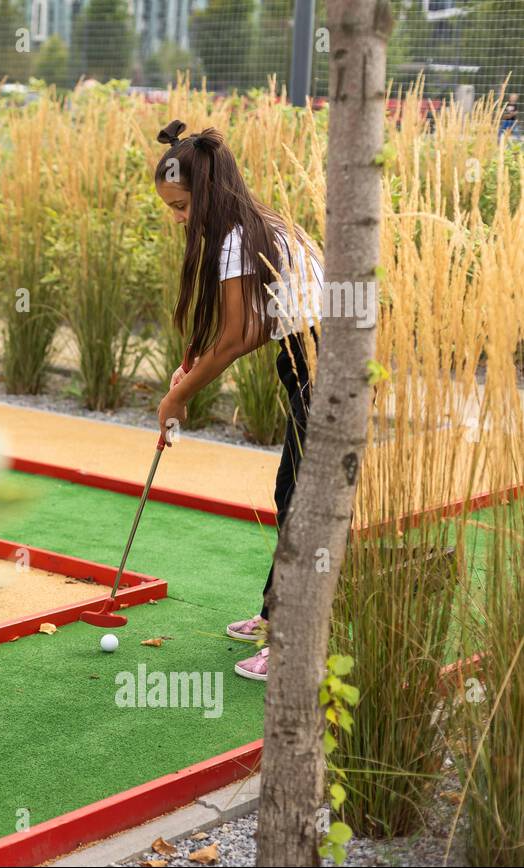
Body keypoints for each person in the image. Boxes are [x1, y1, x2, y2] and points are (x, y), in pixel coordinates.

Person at [151, 120, 325, 682]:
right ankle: (277, 613)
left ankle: (292, 640)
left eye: (179, 207)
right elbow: (243, 330)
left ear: (203, 196)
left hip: (324, 368)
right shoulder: (258, 224)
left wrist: (177, 397)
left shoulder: (235, 238)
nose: (176, 219)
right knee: (290, 492)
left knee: (301, 505)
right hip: (310, 362)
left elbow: (238, 336)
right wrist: (192, 360)